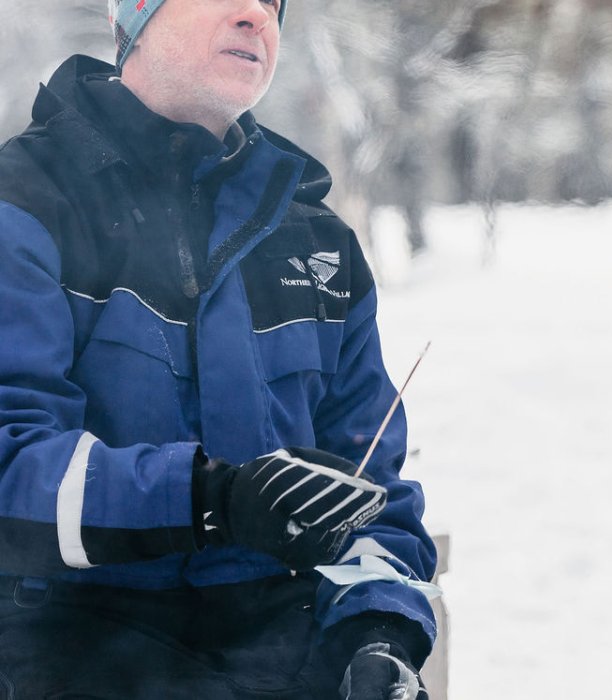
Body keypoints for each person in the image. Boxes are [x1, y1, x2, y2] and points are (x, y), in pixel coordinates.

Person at [0, 0, 439, 697]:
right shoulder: (24, 204)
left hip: (290, 666)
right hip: (79, 657)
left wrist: (376, 633)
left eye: (272, 2)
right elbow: (9, 461)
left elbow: (371, 493)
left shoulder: (320, 241)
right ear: (138, 14)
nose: (254, 16)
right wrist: (210, 499)